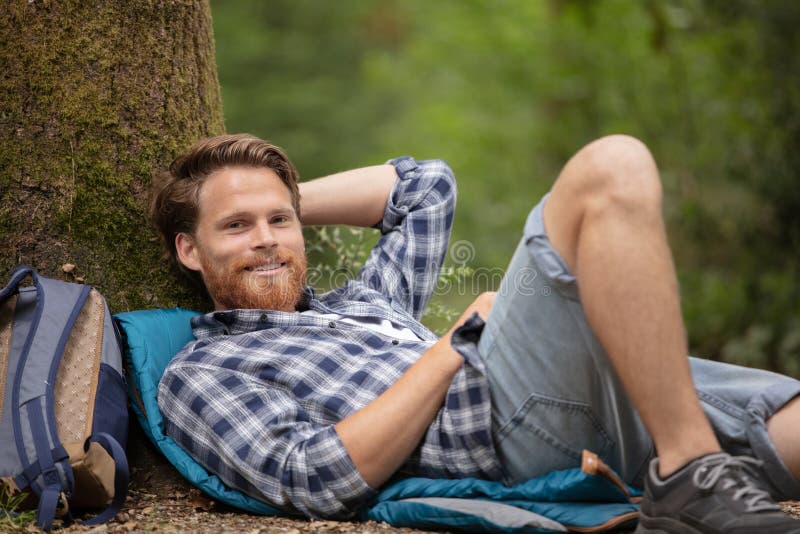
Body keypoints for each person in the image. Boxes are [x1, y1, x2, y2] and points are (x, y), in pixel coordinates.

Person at [150, 133, 800, 533]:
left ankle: (687, 461)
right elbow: (313, 478)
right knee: (611, 166)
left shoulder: (362, 301)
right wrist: (449, 349)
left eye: (278, 222)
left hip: (614, 400)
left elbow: (425, 187)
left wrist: (277, 198)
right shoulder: (201, 370)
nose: (266, 239)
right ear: (188, 250)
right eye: (235, 227)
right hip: (504, 422)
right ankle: (690, 467)